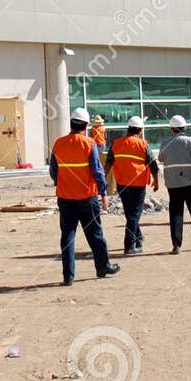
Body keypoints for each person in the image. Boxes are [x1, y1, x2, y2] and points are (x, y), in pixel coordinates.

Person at [49, 108, 120, 285]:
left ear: (71, 123)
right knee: (95, 233)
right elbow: (97, 171)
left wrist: (64, 183)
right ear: (86, 125)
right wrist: (104, 194)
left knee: (67, 236)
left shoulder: (59, 144)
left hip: (65, 198)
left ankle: (68, 276)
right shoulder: (89, 144)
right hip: (87, 197)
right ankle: (103, 266)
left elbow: (53, 171)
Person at [108, 115, 159, 255]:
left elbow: (108, 163)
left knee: (131, 213)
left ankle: (138, 237)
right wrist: (156, 180)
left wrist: (104, 181)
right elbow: (153, 164)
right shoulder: (143, 144)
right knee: (134, 215)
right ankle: (129, 245)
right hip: (137, 183)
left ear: (128, 129)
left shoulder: (116, 143)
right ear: (140, 130)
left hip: (122, 183)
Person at [157, 115, 191, 253]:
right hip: (190, 182)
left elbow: (160, 158)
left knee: (176, 213)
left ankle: (176, 244)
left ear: (172, 129)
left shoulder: (165, 143)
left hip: (173, 184)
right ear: (184, 128)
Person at [90, 114, 114, 195]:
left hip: (94, 144)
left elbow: (90, 137)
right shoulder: (104, 128)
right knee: (101, 157)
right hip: (102, 144)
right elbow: (106, 137)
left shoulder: (92, 129)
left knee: (97, 158)